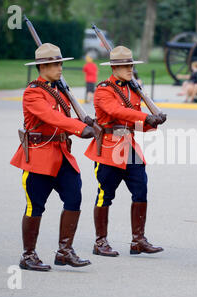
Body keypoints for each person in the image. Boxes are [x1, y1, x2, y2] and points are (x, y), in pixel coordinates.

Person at [10, 43, 95, 271]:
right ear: (43, 66)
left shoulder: (58, 90)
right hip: (39, 158)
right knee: (35, 206)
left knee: (74, 198)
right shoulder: (33, 93)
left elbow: (66, 116)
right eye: (55, 64)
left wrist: (86, 121)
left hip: (62, 156)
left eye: (61, 63)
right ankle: (28, 256)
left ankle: (65, 251)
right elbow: (51, 117)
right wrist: (79, 128)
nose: (60, 67)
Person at [84, 46, 166, 257]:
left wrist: (153, 122)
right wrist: (144, 117)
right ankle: (100, 242)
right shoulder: (103, 89)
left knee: (141, 191)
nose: (129, 68)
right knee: (105, 195)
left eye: (130, 64)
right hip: (109, 148)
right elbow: (115, 111)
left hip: (129, 147)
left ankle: (138, 240)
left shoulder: (132, 90)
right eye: (124, 65)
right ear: (113, 67)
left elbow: (134, 122)